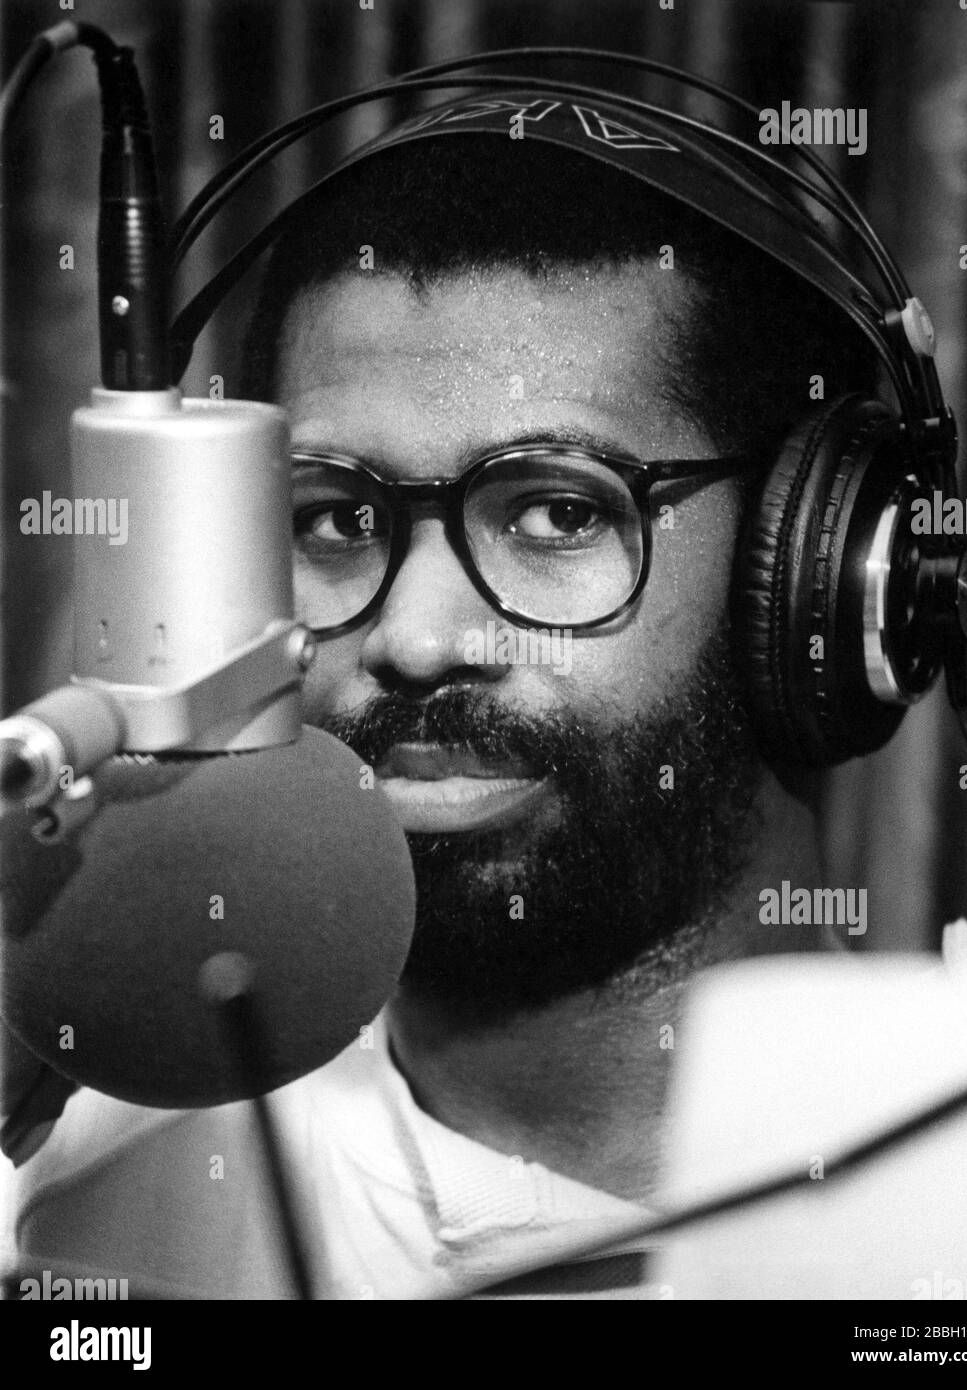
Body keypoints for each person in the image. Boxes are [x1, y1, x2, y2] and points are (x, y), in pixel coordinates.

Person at [8, 131, 878, 1300]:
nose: (415, 638)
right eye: (337, 519)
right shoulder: (73, 1195)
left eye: (559, 512)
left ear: (812, 568)